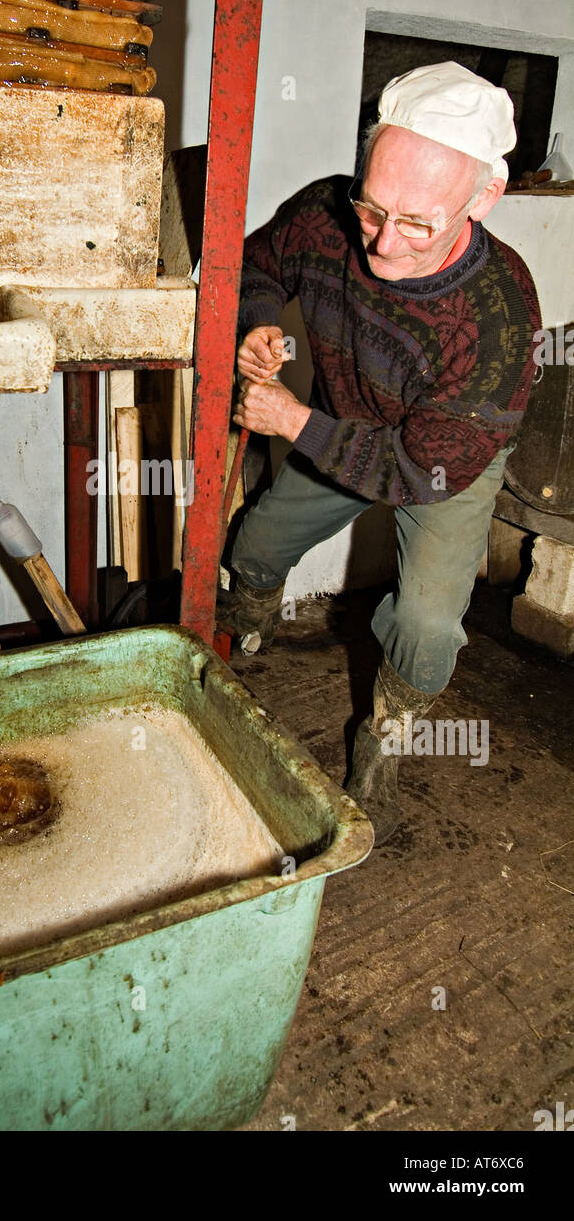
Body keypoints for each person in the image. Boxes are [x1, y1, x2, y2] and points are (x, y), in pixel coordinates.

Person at [222, 61, 542, 844]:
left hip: (438, 464)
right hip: (342, 422)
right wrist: (259, 320)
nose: (382, 242)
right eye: (373, 208)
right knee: (256, 542)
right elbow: (256, 263)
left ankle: (382, 745)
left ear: (482, 198)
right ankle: (244, 631)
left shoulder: (498, 321)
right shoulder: (329, 210)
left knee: (428, 626)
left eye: (416, 224)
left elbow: (413, 469)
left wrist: (293, 422)